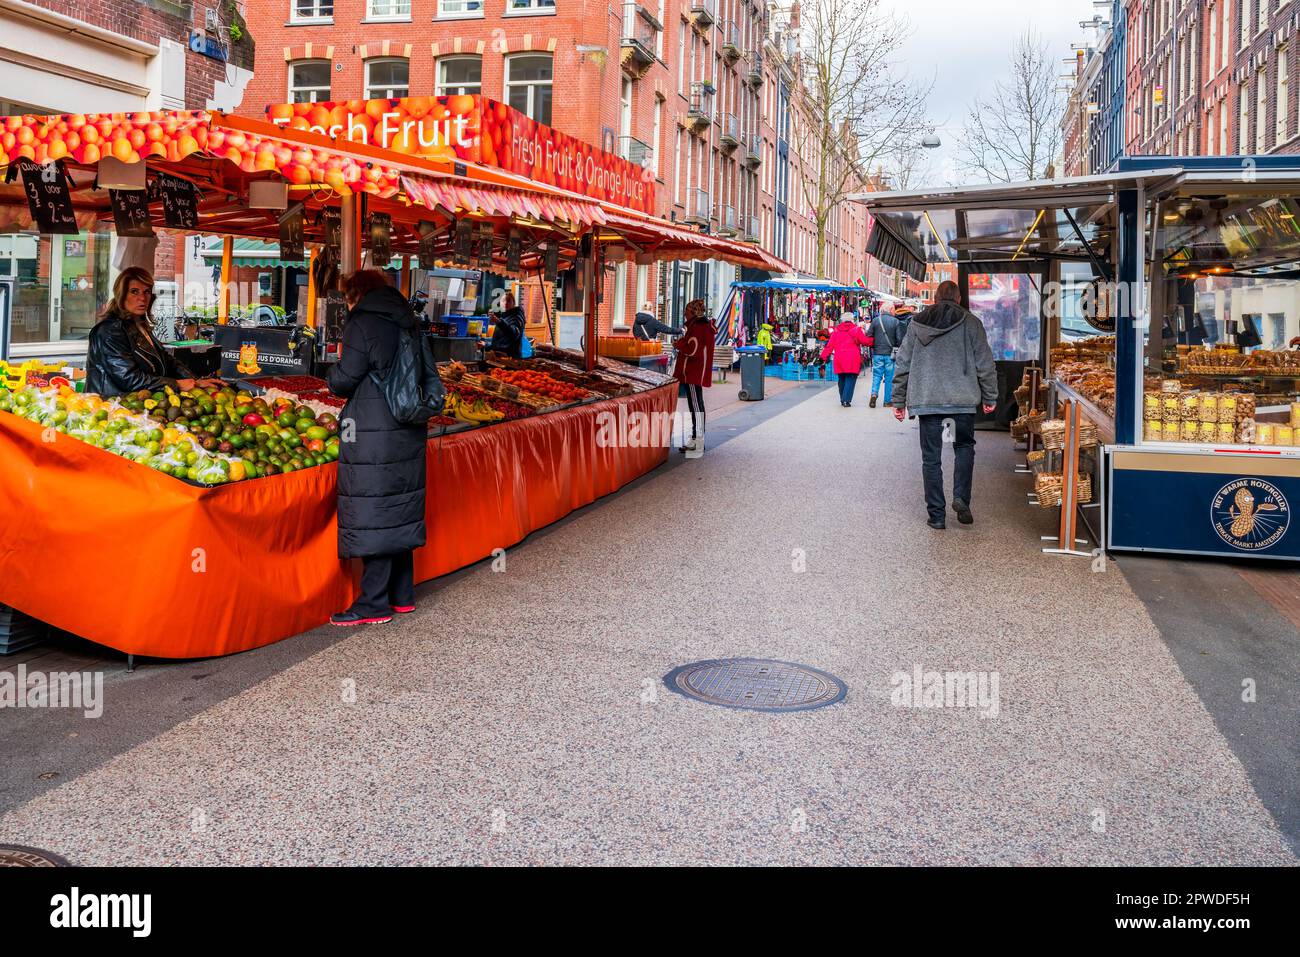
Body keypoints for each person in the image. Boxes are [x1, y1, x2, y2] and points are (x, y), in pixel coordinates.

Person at [327, 270, 433, 625]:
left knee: (375, 511)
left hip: (374, 428)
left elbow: (344, 380)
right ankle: (402, 595)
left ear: (356, 294)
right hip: (409, 426)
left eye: (346, 297)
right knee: (399, 505)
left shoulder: (362, 323)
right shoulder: (409, 321)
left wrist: (332, 374)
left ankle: (373, 603)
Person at [892, 281, 998, 530]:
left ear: (936, 298)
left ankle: (937, 516)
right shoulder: (972, 323)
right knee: (963, 448)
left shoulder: (916, 323)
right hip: (961, 403)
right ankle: (961, 498)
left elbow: (903, 363)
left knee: (931, 458)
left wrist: (898, 400)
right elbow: (985, 362)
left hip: (928, 402)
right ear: (959, 298)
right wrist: (990, 396)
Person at [85, 267, 221, 397]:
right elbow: (129, 378)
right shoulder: (110, 331)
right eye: (134, 291)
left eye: (147, 292)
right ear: (121, 295)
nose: (142, 298)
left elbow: (167, 361)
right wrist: (176, 384)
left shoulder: (138, 325)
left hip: (139, 406)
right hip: (111, 408)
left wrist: (195, 381)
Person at [672, 298, 715, 458]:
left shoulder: (697, 328)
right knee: (696, 403)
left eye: (687, 311)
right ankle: (696, 438)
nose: (684, 314)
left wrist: (679, 345)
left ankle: (698, 440)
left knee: (695, 405)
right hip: (696, 370)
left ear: (693, 313)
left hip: (693, 371)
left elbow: (693, 350)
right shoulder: (702, 326)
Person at [819, 311, 873, 407]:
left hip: (839, 358)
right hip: (852, 358)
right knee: (850, 379)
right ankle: (846, 400)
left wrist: (823, 357)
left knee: (842, 378)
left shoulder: (836, 331)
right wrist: (874, 339)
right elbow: (866, 341)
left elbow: (829, 346)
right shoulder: (856, 330)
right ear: (852, 320)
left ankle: (842, 399)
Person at [867, 304, 903, 408]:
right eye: (894, 309)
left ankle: (874, 394)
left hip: (877, 353)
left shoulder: (875, 320)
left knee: (877, 375)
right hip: (890, 354)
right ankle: (887, 401)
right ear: (891, 309)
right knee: (889, 377)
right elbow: (899, 339)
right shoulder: (895, 321)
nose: (895, 311)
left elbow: (869, 335)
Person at [488, 291, 526, 358]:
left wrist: (499, 322)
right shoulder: (504, 317)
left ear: (513, 303)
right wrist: (486, 346)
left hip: (510, 359)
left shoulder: (517, 316)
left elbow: (514, 333)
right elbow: (499, 343)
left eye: (509, 301)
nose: (505, 303)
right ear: (500, 303)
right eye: (503, 301)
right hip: (501, 358)